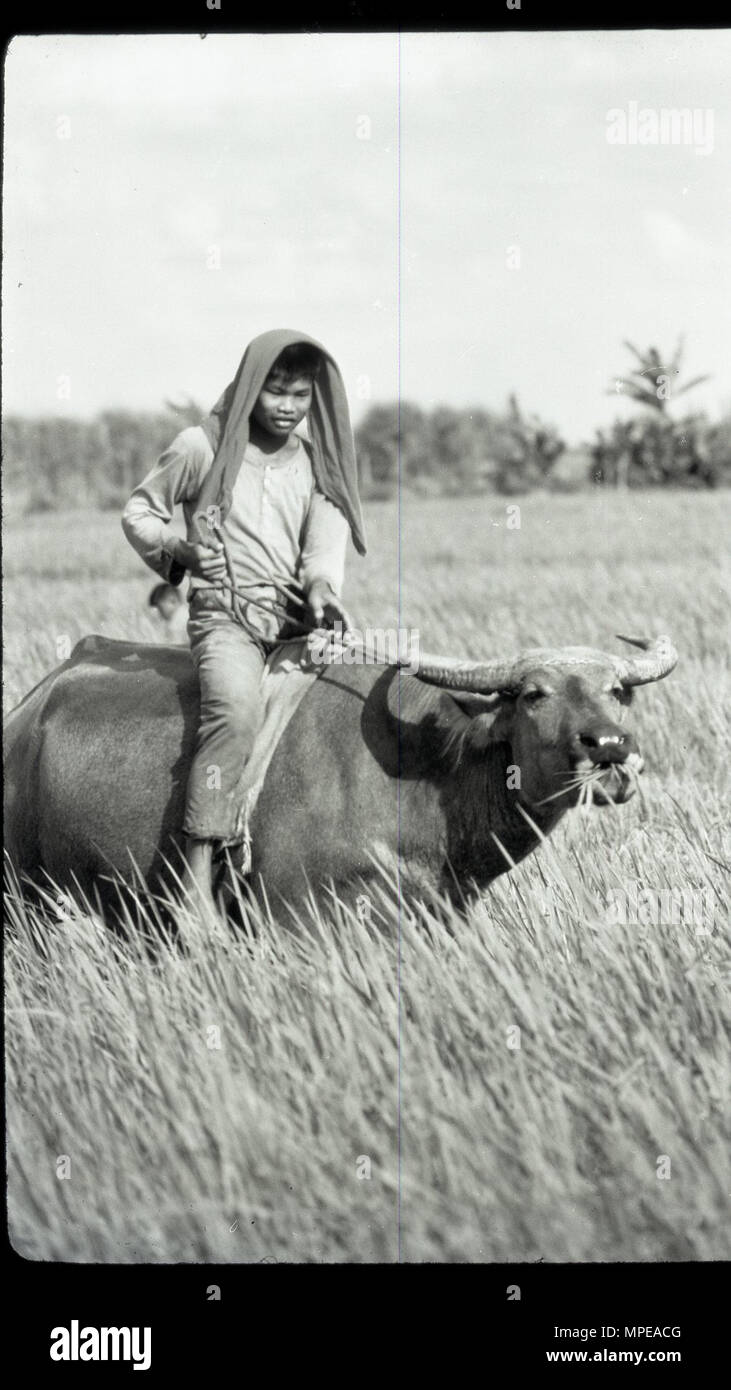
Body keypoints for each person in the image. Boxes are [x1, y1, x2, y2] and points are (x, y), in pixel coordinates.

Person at [122, 329, 367, 915]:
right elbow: (139, 512)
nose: (287, 407)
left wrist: (322, 594)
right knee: (235, 712)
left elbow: (322, 557)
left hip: (293, 625)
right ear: (250, 385)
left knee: (351, 709)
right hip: (226, 617)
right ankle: (198, 879)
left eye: (301, 396)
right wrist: (181, 552)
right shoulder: (200, 448)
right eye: (275, 391)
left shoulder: (317, 467)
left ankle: (312, 862)